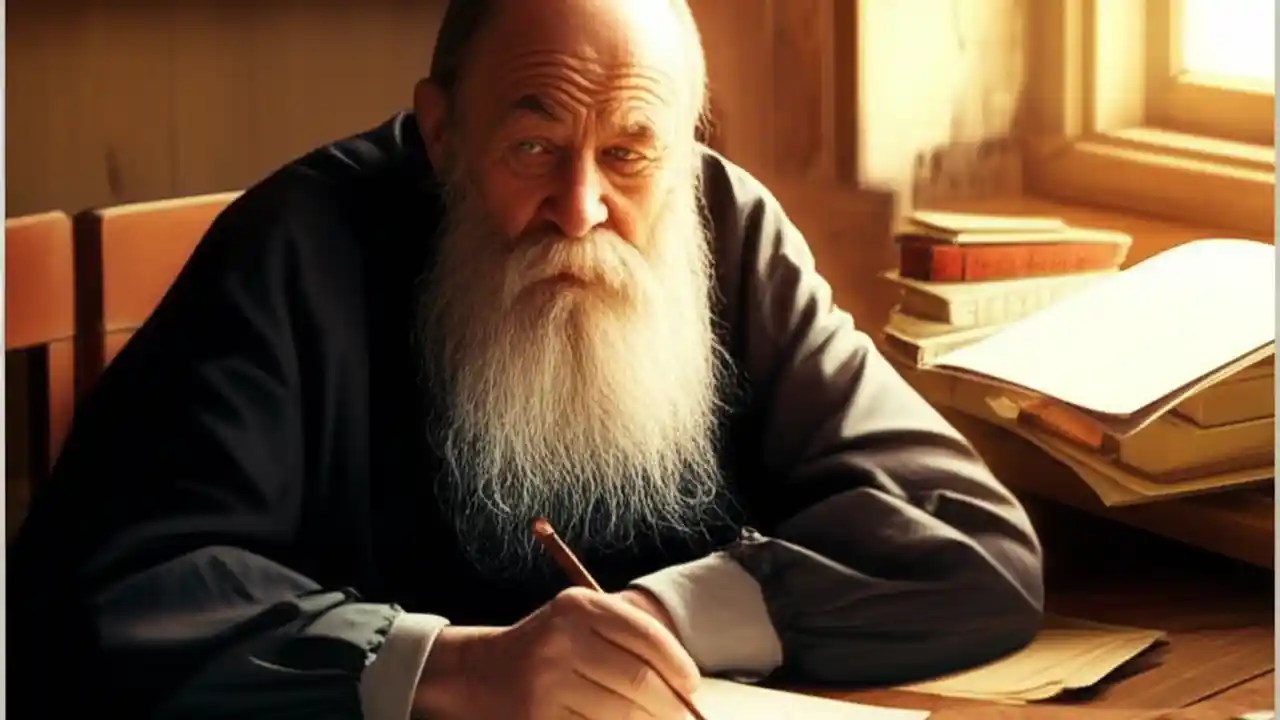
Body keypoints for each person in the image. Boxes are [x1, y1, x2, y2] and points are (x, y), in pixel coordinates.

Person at [7, 0, 1044, 718]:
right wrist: (458, 672)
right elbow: (101, 598)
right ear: (442, 130)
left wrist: (654, 622)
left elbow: (966, 544)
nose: (581, 208)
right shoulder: (296, 247)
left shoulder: (727, 226)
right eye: (535, 146)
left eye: (632, 153)